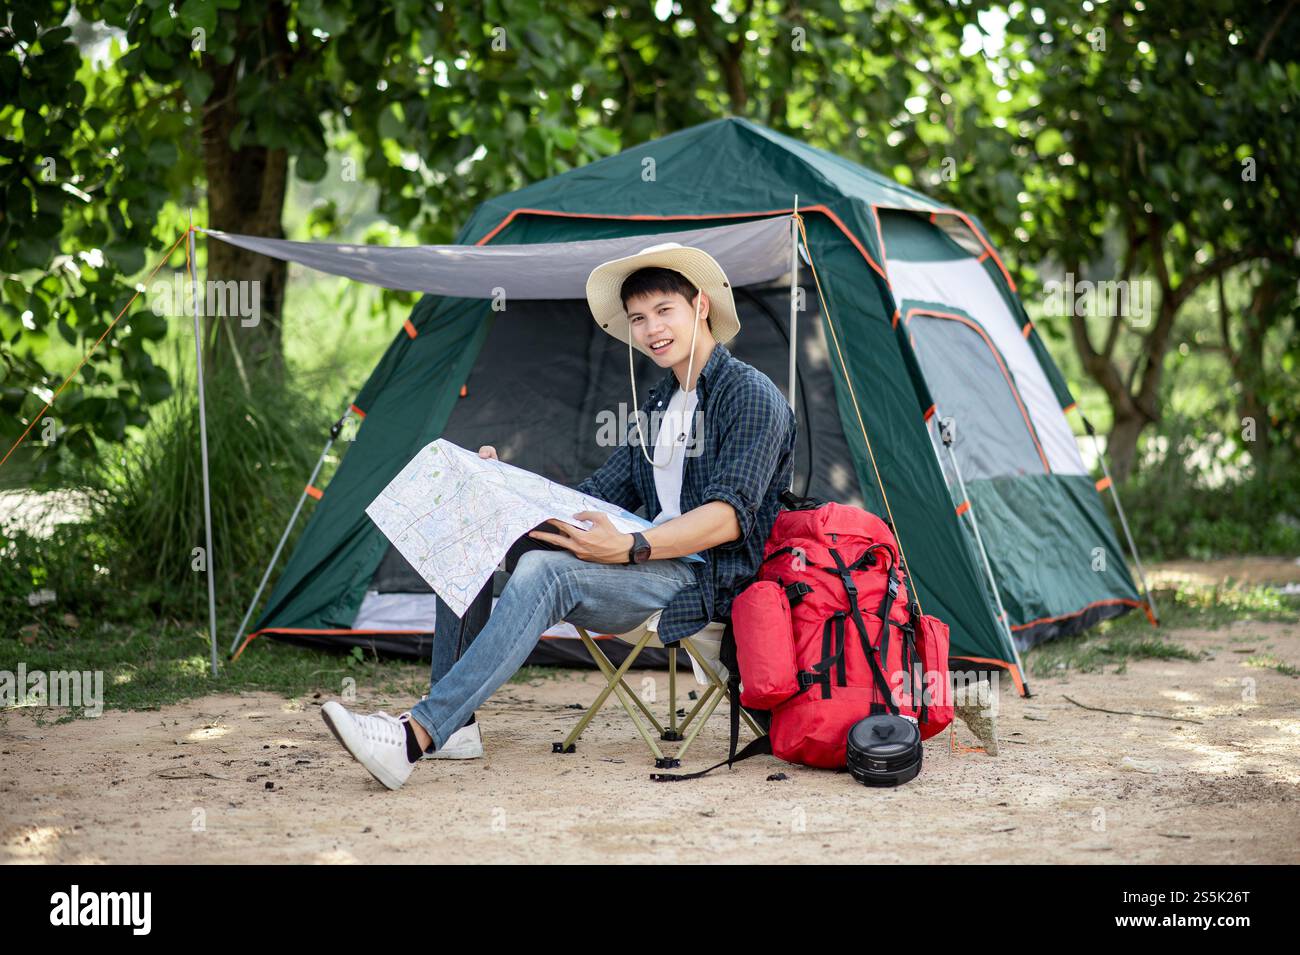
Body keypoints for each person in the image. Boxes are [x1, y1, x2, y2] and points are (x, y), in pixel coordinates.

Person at [321, 242, 796, 790]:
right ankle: (458, 728)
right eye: (639, 319)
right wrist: (504, 487)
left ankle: (416, 734)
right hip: (642, 561)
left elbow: (727, 520)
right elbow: (594, 495)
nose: (651, 329)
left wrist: (630, 548)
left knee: (545, 572)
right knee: (474, 527)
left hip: (705, 578)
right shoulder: (660, 403)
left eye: (665, 310)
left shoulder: (749, 395)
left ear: (701, 306)